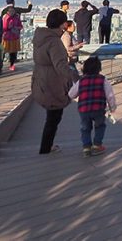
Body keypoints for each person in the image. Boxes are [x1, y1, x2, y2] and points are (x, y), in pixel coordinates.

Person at [32, 9, 73, 154]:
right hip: (53, 83)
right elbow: (60, 65)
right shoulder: (54, 42)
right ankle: (45, 148)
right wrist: (76, 78)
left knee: (51, 117)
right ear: (61, 24)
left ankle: (46, 146)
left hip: (41, 80)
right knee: (53, 118)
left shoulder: (40, 38)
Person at [68, 56, 117, 157]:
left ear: (85, 68)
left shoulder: (81, 81)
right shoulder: (103, 80)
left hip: (84, 109)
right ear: (99, 68)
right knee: (100, 126)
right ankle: (97, 145)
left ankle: (86, 147)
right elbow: (110, 95)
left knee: (85, 128)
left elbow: (71, 94)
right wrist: (112, 108)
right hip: (98, 108)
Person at [2, 6, 24, 71]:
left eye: (13, 11)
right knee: (3, 51)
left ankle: (12, 64)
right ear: (7, 12)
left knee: (13, 52)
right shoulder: (5, 18)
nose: (12, 12)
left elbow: (21, 26)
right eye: (10, 11)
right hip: (6, 37)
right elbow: (3, 27)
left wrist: (16, 27)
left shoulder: (16, 18)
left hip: (14, 37)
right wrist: (8, 27)